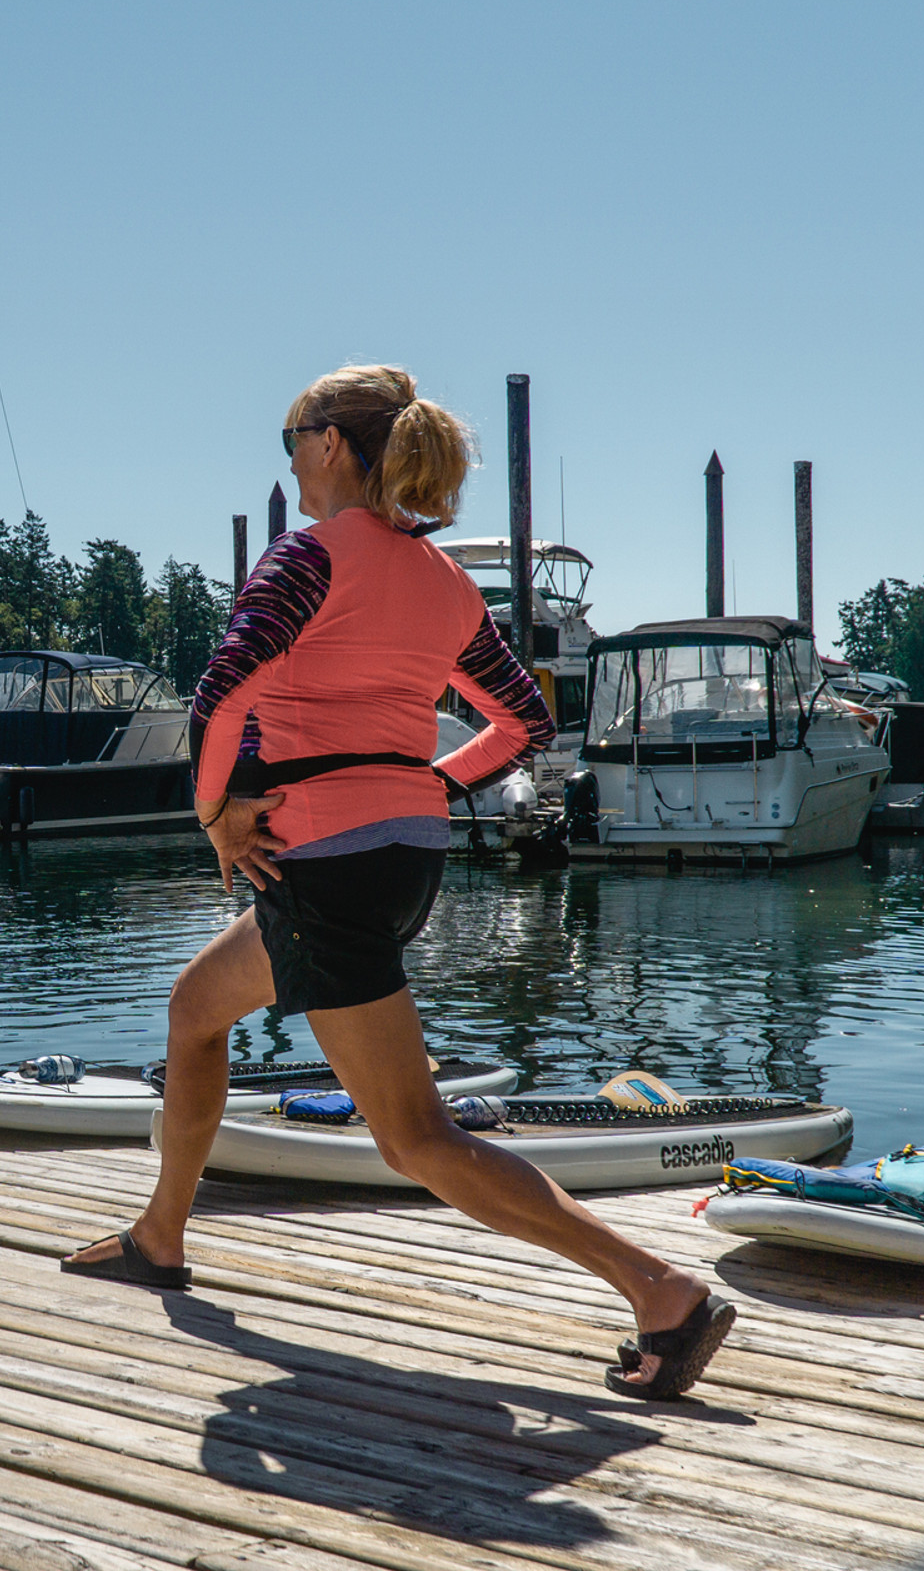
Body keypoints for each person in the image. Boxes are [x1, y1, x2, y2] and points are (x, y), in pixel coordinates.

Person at [61, 363, 734, 1400]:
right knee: (196, 1008)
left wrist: (216, 813)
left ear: (331, 443)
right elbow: (524, 723)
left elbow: (221, 691)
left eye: (292, 437)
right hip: (400, 853)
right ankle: (160, 1234)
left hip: (327, 860)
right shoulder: (445, 581)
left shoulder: (306, 557)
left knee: (416, 1137)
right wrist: (425, 782)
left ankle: (663, 1292)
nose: (289, 456)